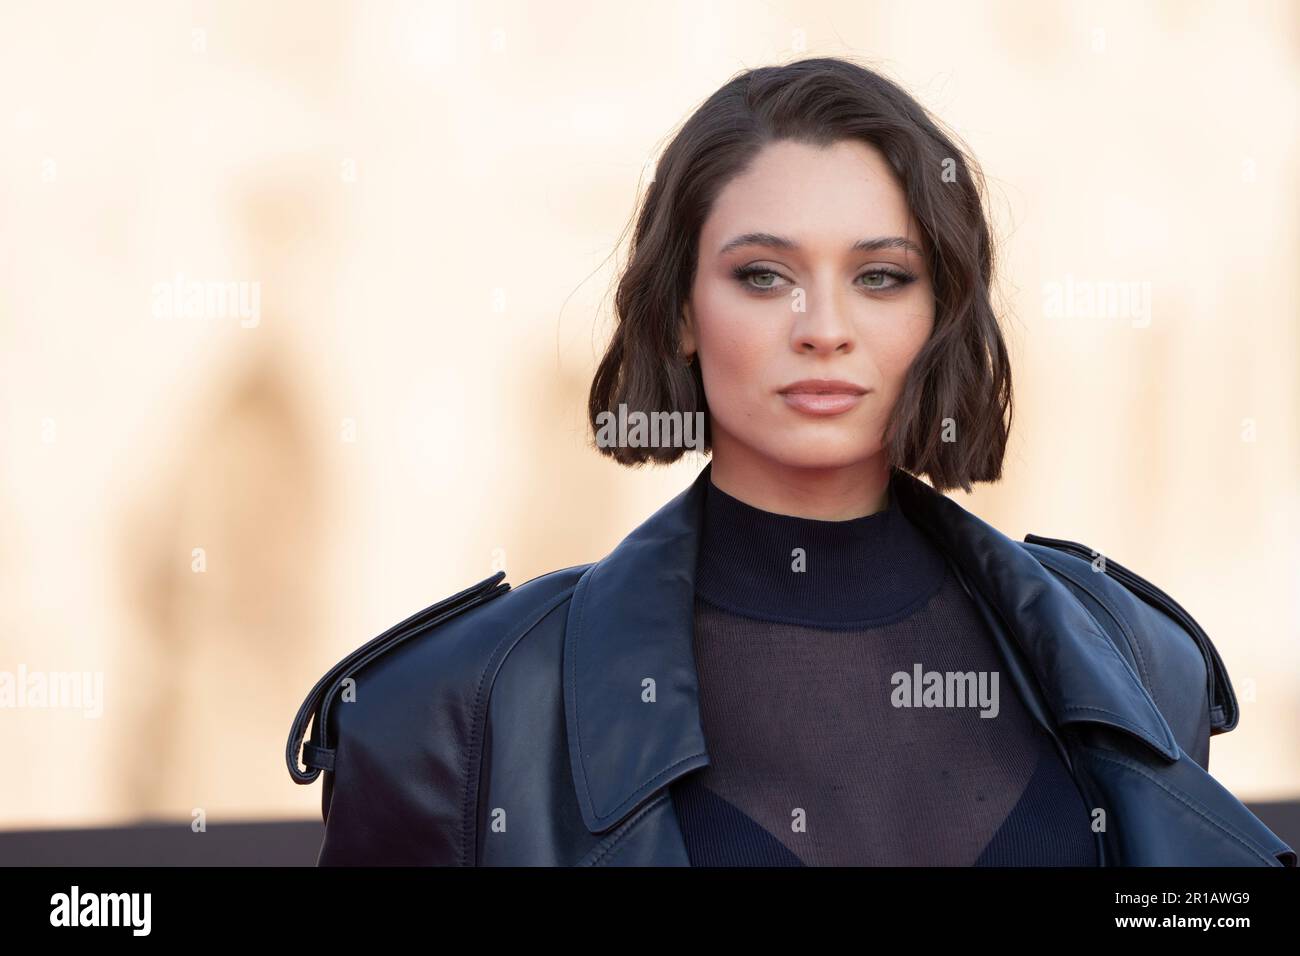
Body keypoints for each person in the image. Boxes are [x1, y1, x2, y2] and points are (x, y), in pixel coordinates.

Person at [286, 56, 1295, 867]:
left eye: (881, 276)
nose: (823, 328)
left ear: (941, 310)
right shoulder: (453, 715)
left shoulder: (1136, 660)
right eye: (763, 275)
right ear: (680, 309)